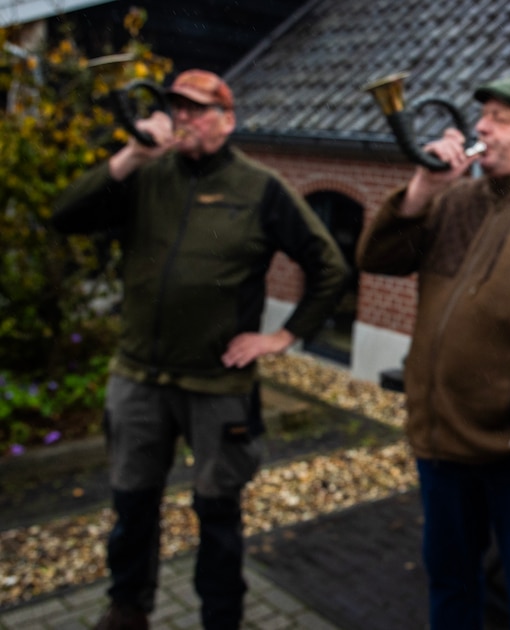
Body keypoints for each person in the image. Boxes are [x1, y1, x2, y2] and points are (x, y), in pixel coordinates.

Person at [52, 69, 349, 630]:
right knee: (132, 503)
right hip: (139, 379)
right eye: (175, 108)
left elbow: (328, 266)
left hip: (218, 387)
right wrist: (129, 157)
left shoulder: (260, 186)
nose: (183, 118)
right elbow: (66, 217)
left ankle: (220, 617)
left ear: (227, 120)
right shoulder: (147, 174)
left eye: (196, 108)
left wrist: (283, 336)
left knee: (217, 513)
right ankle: (127, 607)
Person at [356, 76, 510, 630]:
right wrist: (423, 190)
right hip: (440, 439)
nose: (481, 128)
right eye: (483, 118)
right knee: (450, 579)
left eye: (501, 118)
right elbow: (376, 258)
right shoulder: (454, 199)